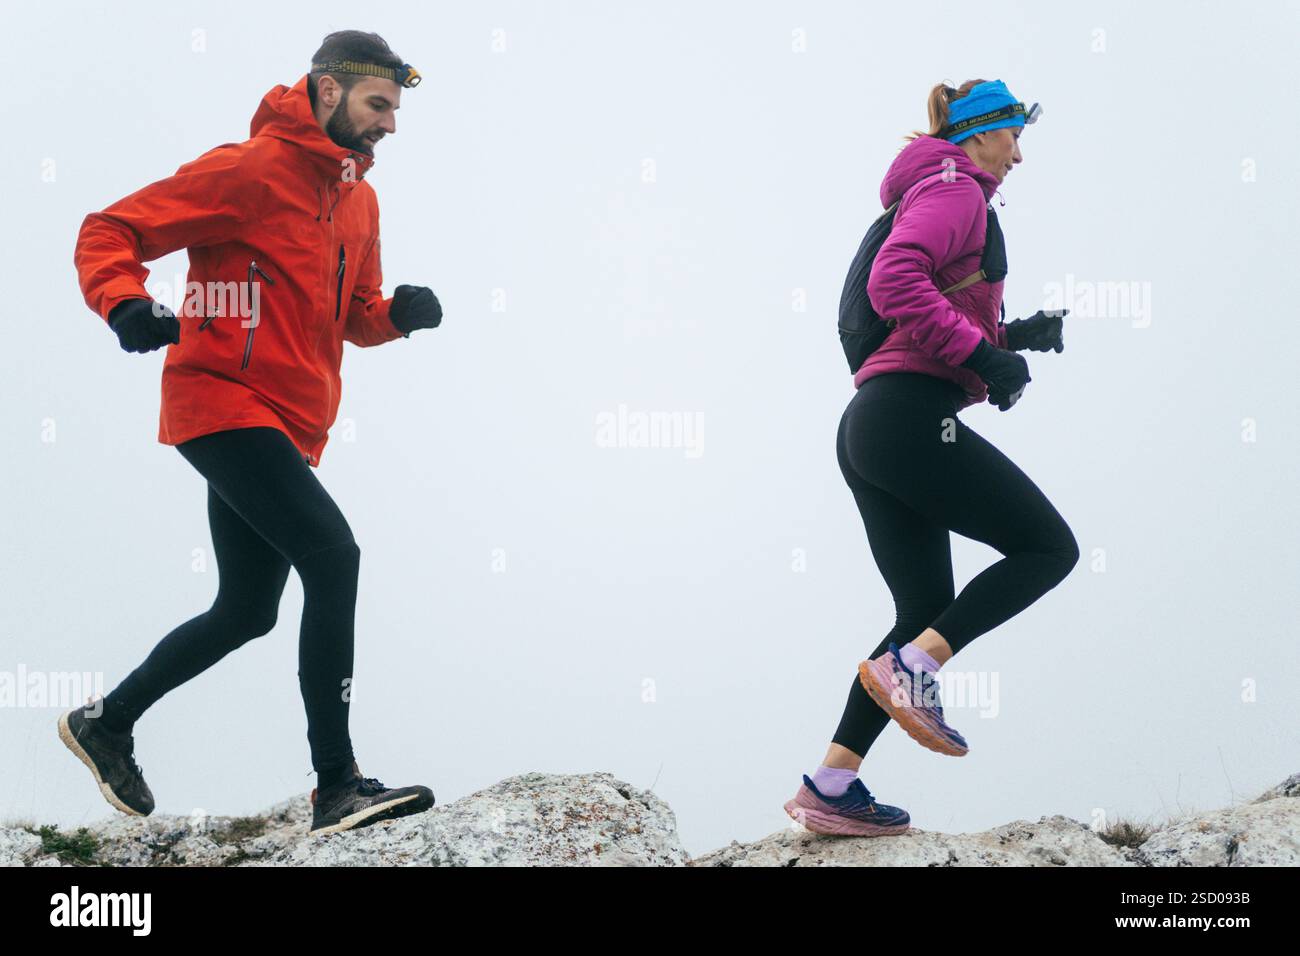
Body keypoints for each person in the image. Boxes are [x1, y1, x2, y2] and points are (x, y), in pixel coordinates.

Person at [64, 30, 444, 836]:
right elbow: (110, 229)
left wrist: (394, 318)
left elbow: (351, 314)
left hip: (291, 425)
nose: (391, 125)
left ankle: (107, 721)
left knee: (246, 609)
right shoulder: (250, 169)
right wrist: (125, 303)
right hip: (222, 402)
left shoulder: (360, 199)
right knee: (334, 557)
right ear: (329, 91)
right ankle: (336, 785)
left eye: (397, 110)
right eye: (380, 105)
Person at [784, 79, 1079, 837]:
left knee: (922, 611)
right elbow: (896, 282)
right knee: (1049, 547)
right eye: (1014, 135)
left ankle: (831, 782)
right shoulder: (956, 189)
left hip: (875, 426)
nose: (1020, 154)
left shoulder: (927, 190)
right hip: (908, 418)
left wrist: (1013, 341)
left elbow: (926, 306)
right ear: (980, 133)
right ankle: (918, 671)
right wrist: (984, 352)